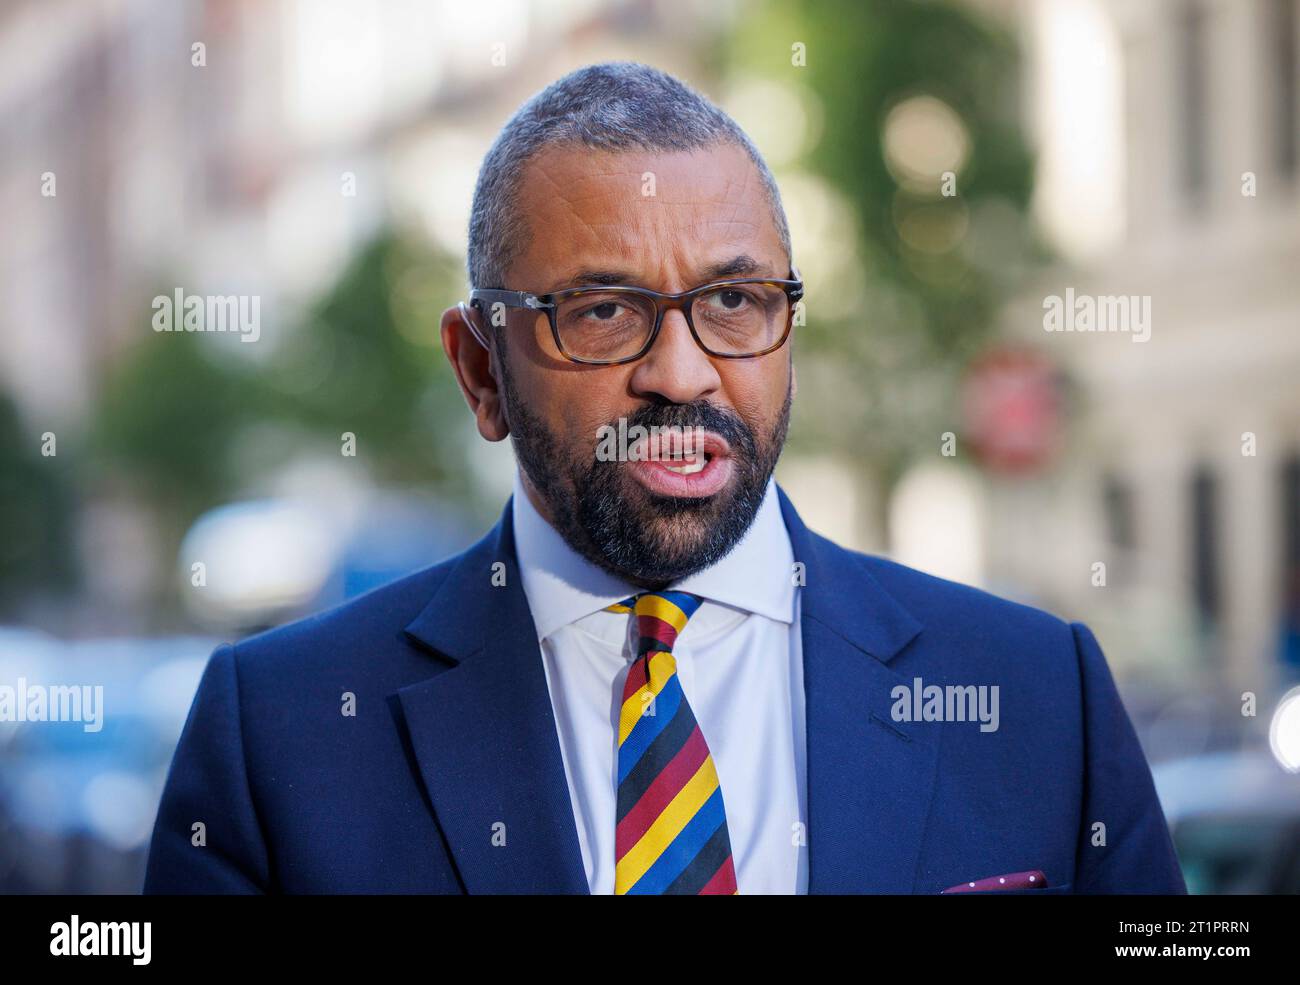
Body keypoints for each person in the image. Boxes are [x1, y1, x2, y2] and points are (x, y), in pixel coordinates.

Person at [144, 62, 1186, 895]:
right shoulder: (278, 738)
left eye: (734, 301)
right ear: (481, 371)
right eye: (603, 312)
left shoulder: (1039, 697)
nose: (681, 373)